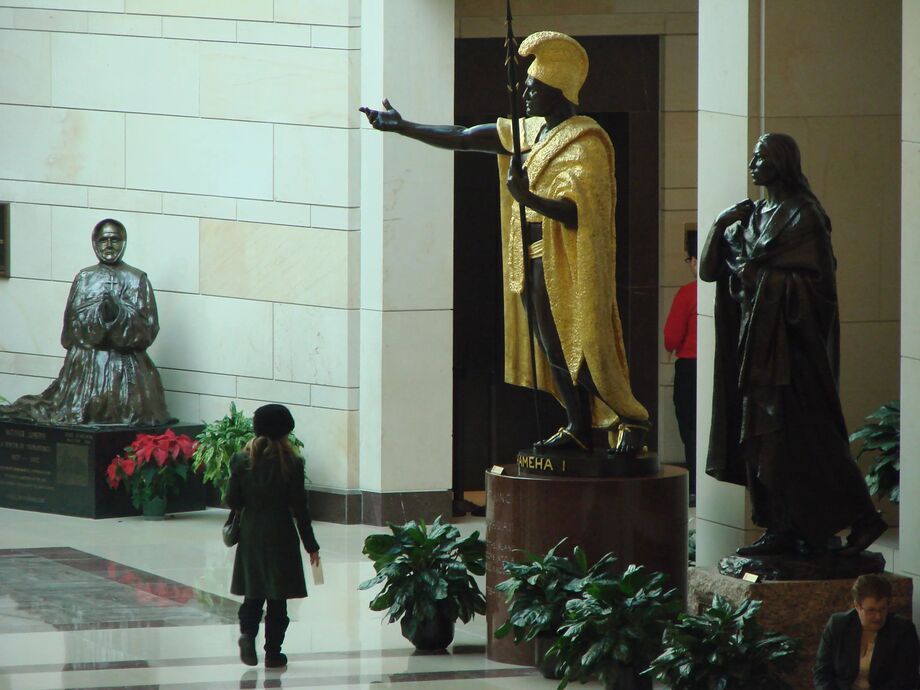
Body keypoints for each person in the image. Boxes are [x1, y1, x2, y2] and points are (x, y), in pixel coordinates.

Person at [360, 31, 649, 455]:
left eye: (534, 89)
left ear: (557, 92)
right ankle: (577, 425)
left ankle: (629, 418)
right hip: (532, 259)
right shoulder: (531, 133)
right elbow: (464, 136)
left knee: (581, 343)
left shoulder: (586, 143)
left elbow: (579, 212)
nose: (525, 96)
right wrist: (403, 127)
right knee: (551, 346)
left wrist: (528, 197)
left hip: (568, 263)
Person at [699, 133, 885, 557]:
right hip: (757, 352)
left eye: (761, 156)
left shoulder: (805, 217)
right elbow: (709, 270)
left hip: (795, 353)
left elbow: (819, 288)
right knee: (765, 442)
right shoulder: (750, 217)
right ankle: (781, 526)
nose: (753, 162)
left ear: (782, 162)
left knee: (810, 438)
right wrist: (720, 221)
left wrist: (758, 279)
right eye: (752, 155)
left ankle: (861, 518)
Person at [0, 218, 172, 426]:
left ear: (124, 242)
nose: (109, 245)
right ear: (95, 243)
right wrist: (97, 316)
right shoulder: (84, 277)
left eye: (115, 240)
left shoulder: (137, 279)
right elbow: (71, 327)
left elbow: (149, 328)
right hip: (88, 365)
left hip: (126, 368)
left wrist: (118, 314)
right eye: (103, 240)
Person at [226, 404, 320, 669]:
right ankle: (273, 653)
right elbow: (300, 509)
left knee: (253, 594)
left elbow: (231, 499)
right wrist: (311, 545)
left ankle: (247, 635)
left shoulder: (241, 461)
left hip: (252, 534)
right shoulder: (292, 463)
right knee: (278, 599)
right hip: (282, 535)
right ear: (285, 432)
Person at [814, 573, 920, 689]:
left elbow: (905, 681)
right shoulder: (838, 625)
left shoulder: (903, 630)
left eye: (882, 608)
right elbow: (822, 672)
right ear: (857, 606)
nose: (878, 616)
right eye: (871, 610)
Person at [663, 230, 697, 503]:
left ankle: (696, 484)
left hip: (690, 368)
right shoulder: (734, 289)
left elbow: (672, 336)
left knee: (690, 426)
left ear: (697, 261)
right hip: (725, 369)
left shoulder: (688, 294)